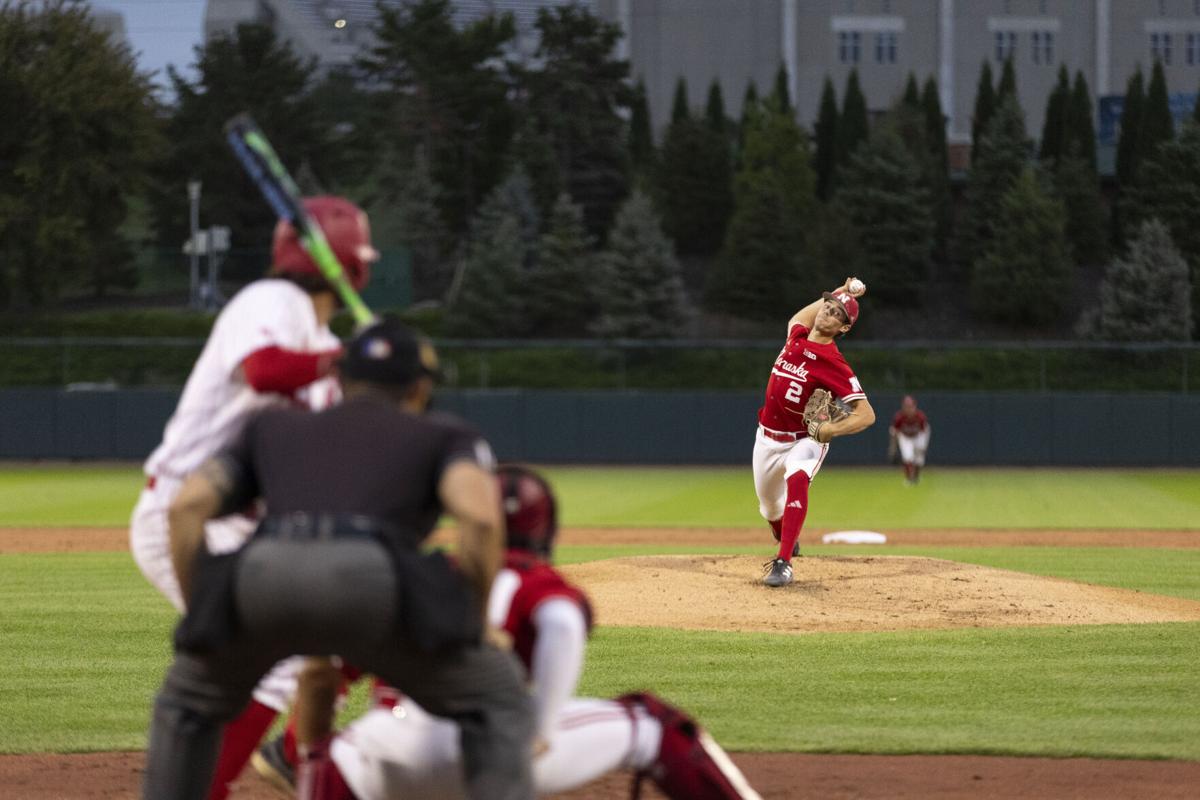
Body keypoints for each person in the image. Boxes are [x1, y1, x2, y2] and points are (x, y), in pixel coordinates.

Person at [141, 319, 534, 800]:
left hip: (261, 577)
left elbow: (186, 508)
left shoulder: (270, 427)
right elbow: (481, 522)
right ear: (419, 387)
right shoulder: (445, 435)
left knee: (189, 702)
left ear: (340, 380)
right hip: (376, 582)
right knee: (496, 697)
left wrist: (210, 618)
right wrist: (470, 628)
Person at [252, 465, 762, 800]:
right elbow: (561, 626)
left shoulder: (417, 577)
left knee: (337, 759)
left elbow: (322, 671)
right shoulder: (531, 578)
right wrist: (537, 731)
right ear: (547, 531)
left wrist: (313, 761)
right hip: (492, 753)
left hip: (391, 748)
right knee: (654, 724)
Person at [129, 196, 378, 799]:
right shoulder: (271, 302)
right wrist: (351, 355)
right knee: (271, 662)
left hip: (248, 530)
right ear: (352, 264)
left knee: (365, 618)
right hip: (189, 517)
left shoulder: (317, 336)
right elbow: (265, 370)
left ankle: (295, 758)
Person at [754, 279, 876, 588]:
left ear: (843, 329)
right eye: (827, 308)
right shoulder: (796, 337)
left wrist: (832, 428)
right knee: (769, 506)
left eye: (837, 315)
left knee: (797, 479)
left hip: (804, 438)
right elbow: (797, 317)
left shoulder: (834, 363)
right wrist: (841, 291)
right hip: (767, 438)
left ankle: (783, 563)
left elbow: (866, 414)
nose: (827, 314)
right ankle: (785, 535)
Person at [890, 395, 931, 485]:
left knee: (919, 459)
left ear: (914, 406)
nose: (908, 409)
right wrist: (893, 448)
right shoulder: (899, 417)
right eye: (906, 406)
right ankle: (909, 479)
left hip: (918, 436)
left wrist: (924, 446)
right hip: (905, 437)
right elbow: (894, 432)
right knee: (907, 457)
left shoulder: (920, 417)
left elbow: (925, 432)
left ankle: (916, 477)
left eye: (910, 406)